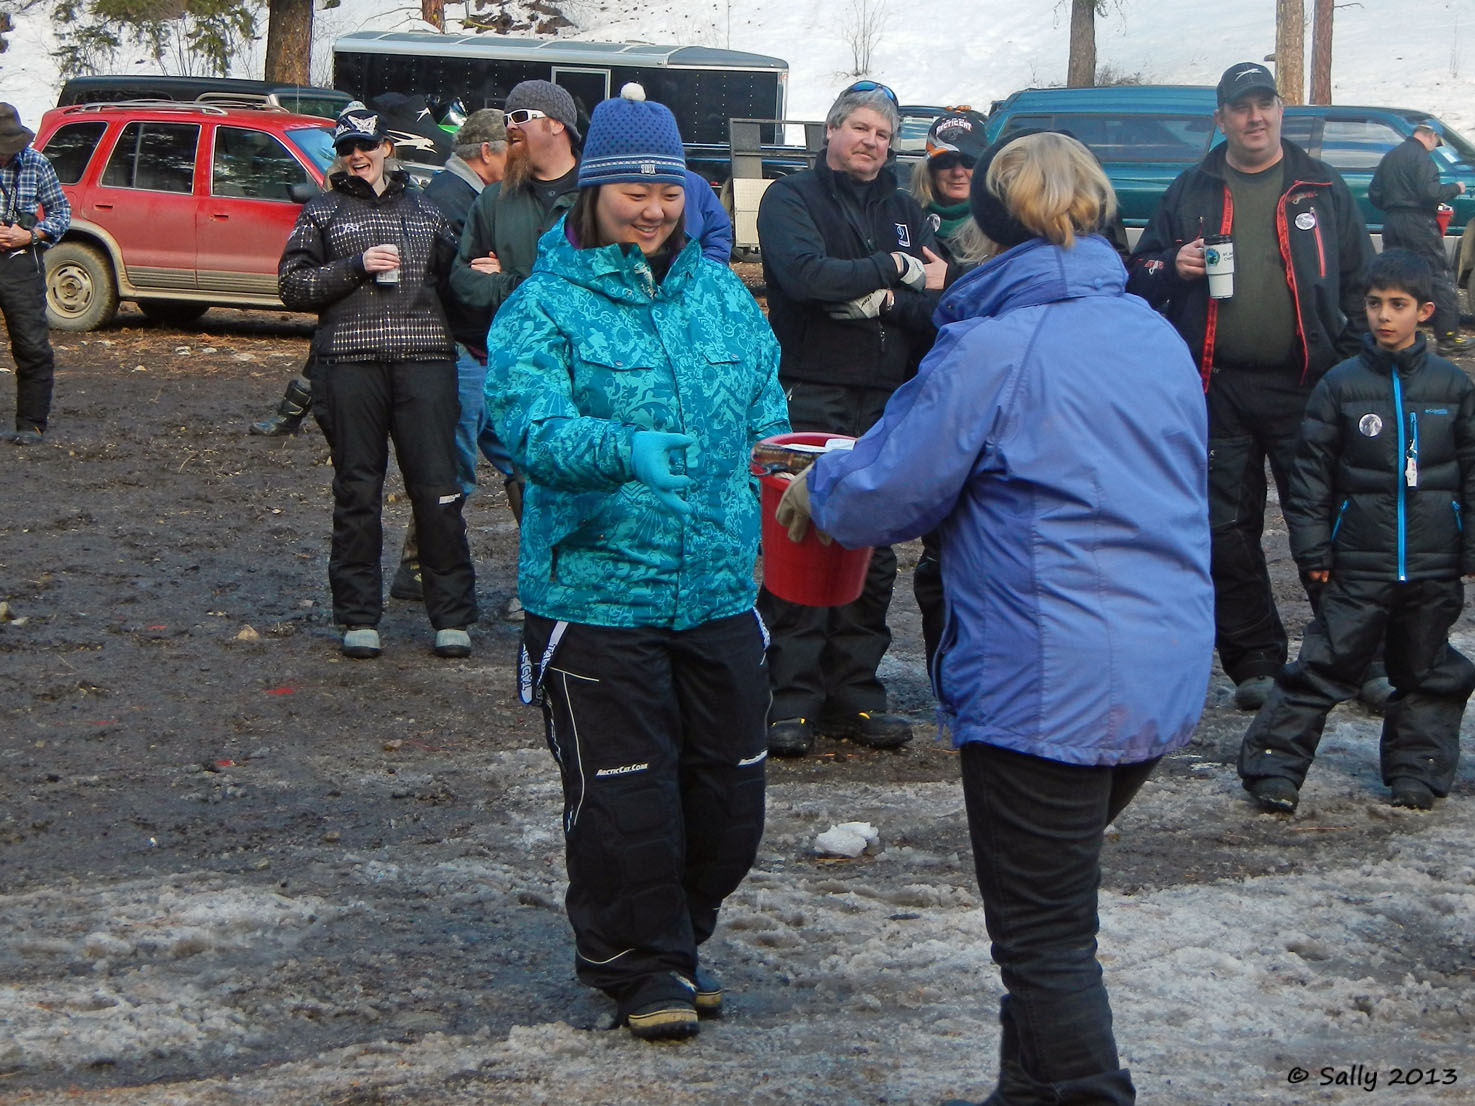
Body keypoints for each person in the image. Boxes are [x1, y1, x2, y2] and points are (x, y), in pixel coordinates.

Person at [772, 131, 1213, 1106]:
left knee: (1043, 938)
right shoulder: (1149, 331)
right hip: (1160, 663)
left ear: (987, 225)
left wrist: (822, 485)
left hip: (1046, 676)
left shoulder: (992, 345)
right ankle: (1022, 1092)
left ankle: (1093, 1091)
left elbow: (892, 486)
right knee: (1047, 907)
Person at [484, 84, 787, 1040]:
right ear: (595, 192)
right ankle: (638, 964)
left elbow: (764, 411)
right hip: (597, 590)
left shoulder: (722, 295)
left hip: (717, 587)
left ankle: (679, 938)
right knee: (627, 798)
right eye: (633, 191)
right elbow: (519, 425)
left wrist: (793, 476)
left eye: (667, 192)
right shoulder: (547, 301)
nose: (653, 209)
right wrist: (621, 448)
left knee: (729, 792)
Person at [1128, 61, 1375, 712]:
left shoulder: (1320, 187)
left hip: (1308, 386)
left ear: (1280, 110)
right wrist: (1170, 266)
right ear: (1221, 119)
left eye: (1263, 104)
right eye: (1240, 108)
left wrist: (1349, 367)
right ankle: (1255, 661)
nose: (1254, 117)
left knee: (1324, 520)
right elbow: (1139, 269)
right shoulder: (1192, 187)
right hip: (1215, 387)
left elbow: (1359, 282)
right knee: (1224, 527)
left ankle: (1353, 653)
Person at [1238, 249, 1475, 814]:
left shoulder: (1453, 387)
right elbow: (1310, 476)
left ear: (1425, 311)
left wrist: (1469, 544)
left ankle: (1417, 772)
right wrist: (1314, 546)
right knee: (1323, 665)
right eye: (1374, 304)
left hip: (1432, 560)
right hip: (1355, 562)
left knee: (1427, 670)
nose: (1384, 317)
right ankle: (1274, 768)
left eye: (1398, 305)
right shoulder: (1339, 385)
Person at [755, 79, 947, 757]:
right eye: (861, 128)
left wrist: (883, 297)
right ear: (832, 131)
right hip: (812, 391)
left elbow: (934, 301)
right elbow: (805, 277)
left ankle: (857, 696)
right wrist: (889, 268)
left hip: (886, 394)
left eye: (884, 135)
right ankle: (791, 698)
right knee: (802, 534)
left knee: (874, 544)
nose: (872, 143)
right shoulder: (789, 198)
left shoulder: (905, 206)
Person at [278, 105, 477, 660]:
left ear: (386, 147)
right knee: (357, 493)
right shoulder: (322, 212)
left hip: (425, 364)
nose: (357, 156)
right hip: (348, 367)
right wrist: (355, 266)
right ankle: (359, 617)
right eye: (347, 148)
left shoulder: (427, 209)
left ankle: (452, 616)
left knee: (438, 491)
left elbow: (454, 278)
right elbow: (291, 287)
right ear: (338, 156)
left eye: (366, 144)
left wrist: (480, 271)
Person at [1369, 120, 1471, 357]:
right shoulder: (1423, 159)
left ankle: (1393, 333)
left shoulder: (1391, 156)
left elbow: (1375, 194)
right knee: (1438, 275)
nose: (1435, 146)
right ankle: (1448, 337)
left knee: (1396, 277)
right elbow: (1430, 194)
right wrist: (1456, 188)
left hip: (1393, 223)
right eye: (1437, 142)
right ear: (1431, 135)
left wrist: (1395, 207)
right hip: (1418, 224)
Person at [0, 103, 70, 445]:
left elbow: (62, 212)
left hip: (21, 261)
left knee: (31, 344)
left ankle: (30, 423)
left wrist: (31, 234)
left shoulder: (36, 163)